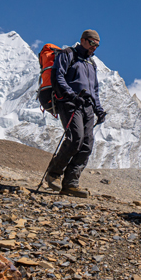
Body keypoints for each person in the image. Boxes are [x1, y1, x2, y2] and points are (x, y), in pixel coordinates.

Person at [44, 30, 107, 197]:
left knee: (87, 145)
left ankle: (70, 183)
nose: (94, 47)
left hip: (87, 106)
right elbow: (58, 77)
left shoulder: (91, 63)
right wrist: (72, 95)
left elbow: (94, 90)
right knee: (75, 139)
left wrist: (99, 109)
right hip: (70, 103)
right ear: (83, 40)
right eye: (92, 43)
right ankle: (53, 173)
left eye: (97, 45)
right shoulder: (67, 54)